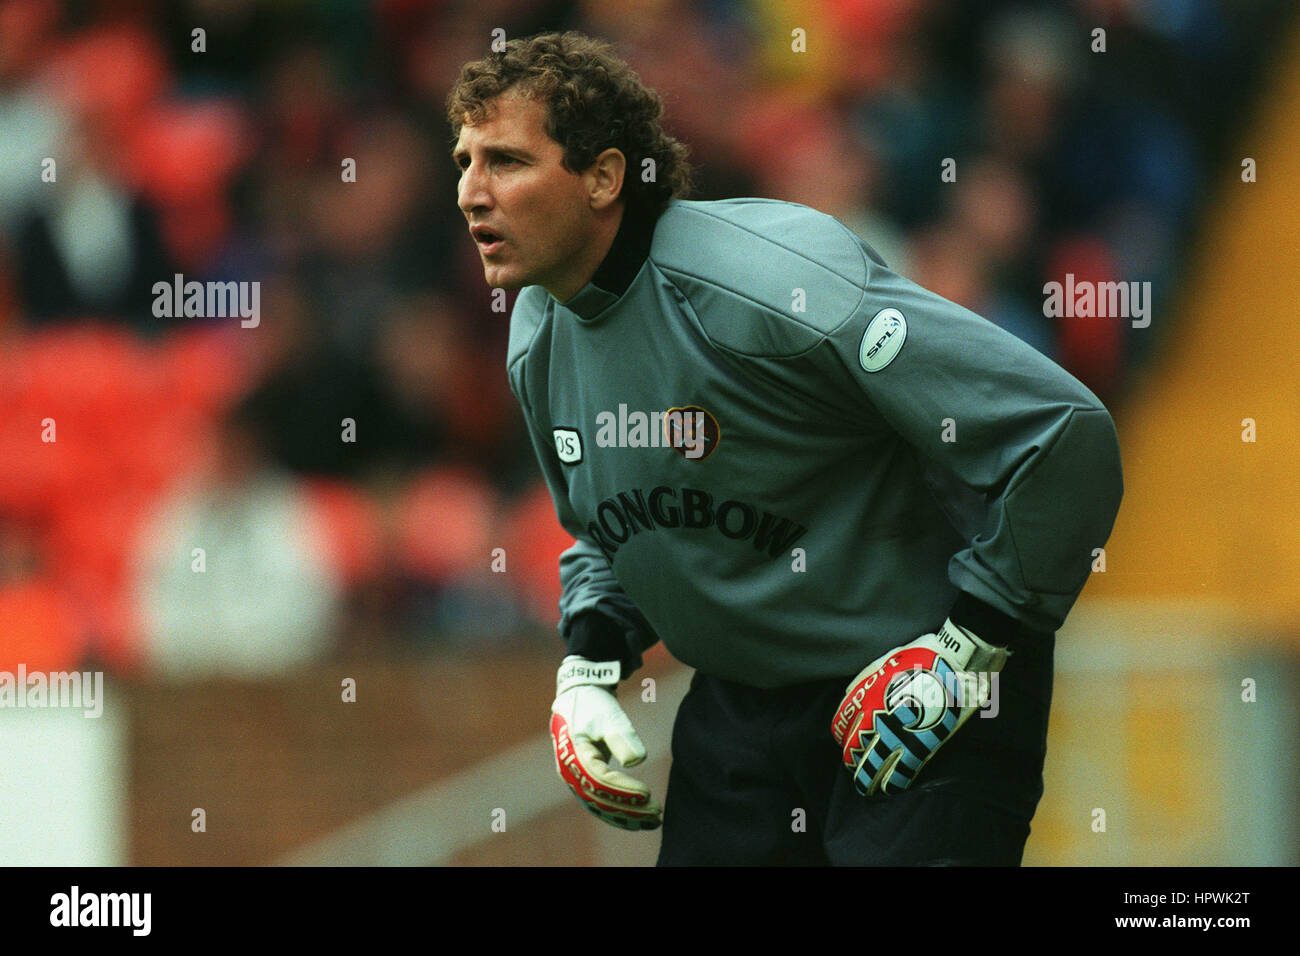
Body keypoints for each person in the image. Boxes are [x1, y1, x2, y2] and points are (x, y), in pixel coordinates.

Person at [447, 31, 1123, 865]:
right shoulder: (537, 330)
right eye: (464, 161)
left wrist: (969, 647)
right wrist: (587, 668)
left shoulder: (775, 285)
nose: (471, 193)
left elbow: (1063, 431)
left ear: (604, 177)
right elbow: (605, 527)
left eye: (506, 161)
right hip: (739, 714)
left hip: (927, 681)